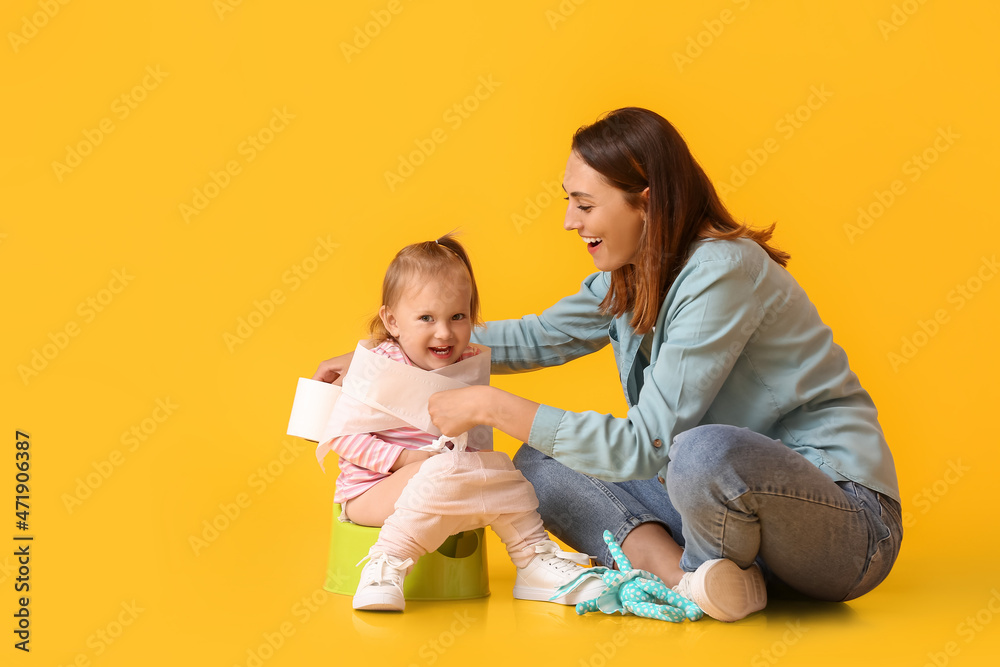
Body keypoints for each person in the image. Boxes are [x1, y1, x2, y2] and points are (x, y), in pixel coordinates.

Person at [315, 108, 903, 623]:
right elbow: (537, 337)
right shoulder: (630, 274)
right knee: (540, 460)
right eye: (569, 201)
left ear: (644, 200)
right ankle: (697, 583)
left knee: (697, 450)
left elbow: (645, 445)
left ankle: (706, 574)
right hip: (724, 515)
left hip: (844, 524)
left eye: (585, 203)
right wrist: (393, 355)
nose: (571, 220)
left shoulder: (723, 270)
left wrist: (490, 403)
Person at [316, 234, 604, 612]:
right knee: (449, 467)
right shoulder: (378, 364)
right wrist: (408, 461)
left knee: (502, 467)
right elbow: (344, 438)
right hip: (371, 493)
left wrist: (465, 464)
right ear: (392, 321)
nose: (444, 332)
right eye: (426, 318)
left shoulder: (466, 362)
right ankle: (384, 563)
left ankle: (533, 561)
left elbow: (476, 444)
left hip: (447, 479)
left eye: (458, 317)